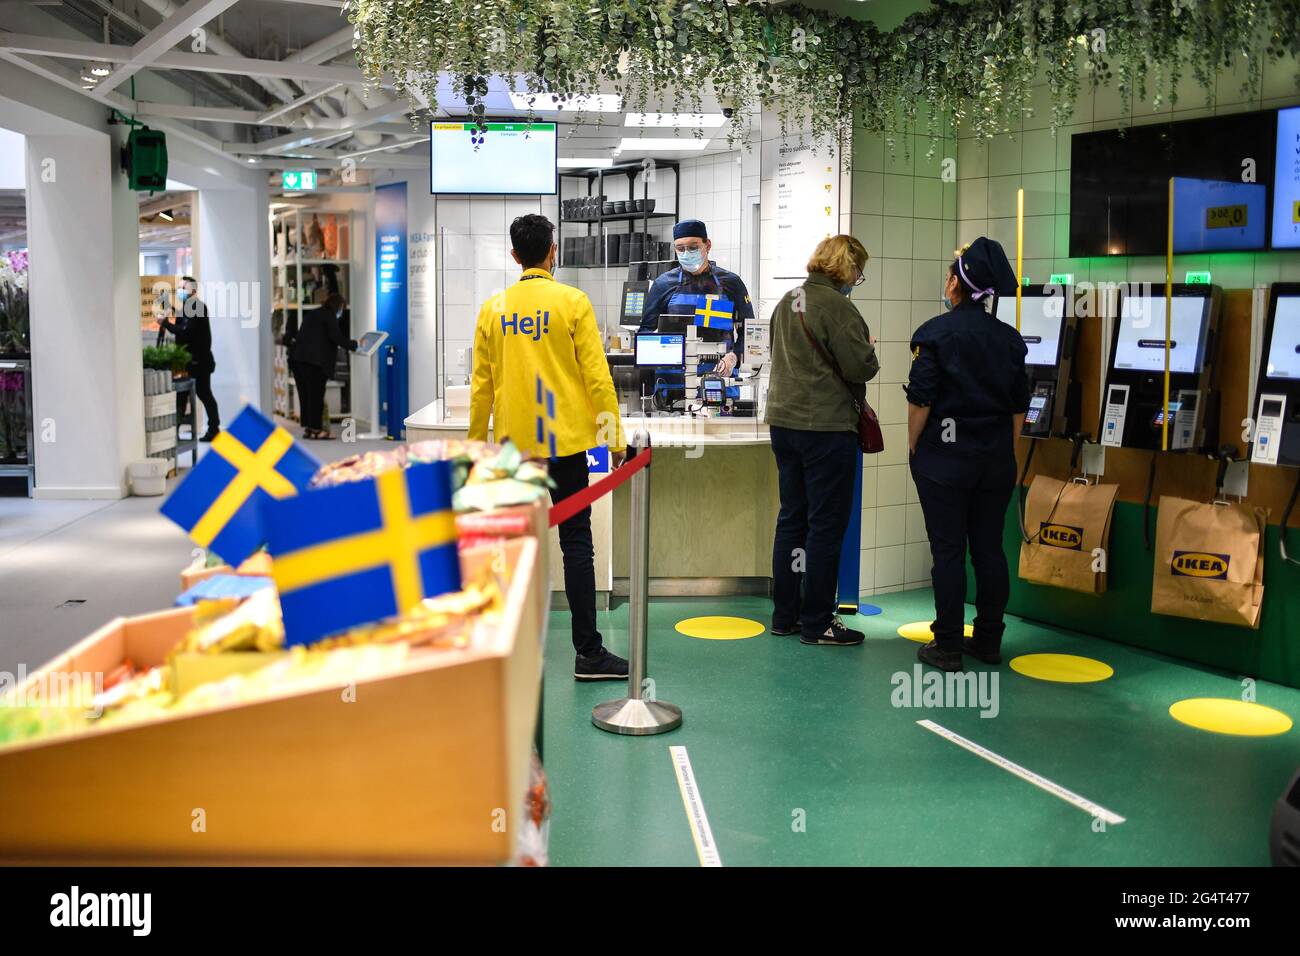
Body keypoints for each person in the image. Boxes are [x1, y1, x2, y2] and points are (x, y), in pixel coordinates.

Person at [469, 214, 629, 682]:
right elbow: (597, 378)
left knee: (512, 545)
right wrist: (614, 438)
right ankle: (589, 654)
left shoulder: (493, 309)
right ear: (552, 252)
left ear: (515, 255)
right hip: (565, 446)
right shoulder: (572, 302)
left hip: (513, 449)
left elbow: (481, 389)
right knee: (576, 542)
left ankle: (507, 654)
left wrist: (475, 448)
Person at [905, 237, 1029, 672]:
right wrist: (1007, 453)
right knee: (989, 549)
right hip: (995, 462)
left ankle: (948, 645)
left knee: (948, 552)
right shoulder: (1011, 340)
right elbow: (1019, 407)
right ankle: (989, 640)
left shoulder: (934, 334)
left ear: (956, 284)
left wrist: (914, 445)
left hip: (944, 461)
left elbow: (921, 399)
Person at [764, 235, 878, 646]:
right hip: (826, 428)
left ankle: (785, 616)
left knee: (792, 518)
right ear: (846, 268)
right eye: (858, 272)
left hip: (783, 424)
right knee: (826, 526)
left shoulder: (787, 300)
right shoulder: (839, 308)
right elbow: (861, 367)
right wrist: (869, 350)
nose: (856, 280)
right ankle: (818, 623)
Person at [638, 219, 755, 378]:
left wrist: (733, 357)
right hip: (673, 381)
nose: (686, 253)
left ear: (708, 245)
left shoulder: (731, 283)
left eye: (693, 247)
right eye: (680, 248)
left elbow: (748, 331)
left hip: (719, 379)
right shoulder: (663, 285)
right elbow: (645, 333)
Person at [284, 292, 356, 440]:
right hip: (314, 363)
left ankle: (309, 428)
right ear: (338, 306)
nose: (341, 312)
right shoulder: (329, 316)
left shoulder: (314, 313)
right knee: (316, 397)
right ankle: (317, 430)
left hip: (299, 360)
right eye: (342, 308)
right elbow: (336, 337)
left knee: (307, 396)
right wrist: (354, 345)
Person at [158, 276, 220, 442]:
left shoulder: (197, 307)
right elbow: (182, 326)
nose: (180, 291)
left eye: (183, 288)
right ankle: (175, 431)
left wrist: (165, 323)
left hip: (199, 361)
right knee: (184, 395)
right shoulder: (186, 308)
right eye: (178, 288)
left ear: (192, 290)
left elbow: (186, 331)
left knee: (203, 393)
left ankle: (214, 428)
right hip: (188, 361)